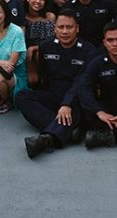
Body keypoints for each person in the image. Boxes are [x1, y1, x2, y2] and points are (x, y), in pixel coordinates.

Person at [20, 12, 94, 158]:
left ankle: (46, 139)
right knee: (22, 96)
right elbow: (43, 77)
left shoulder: (89, 50)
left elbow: (82, 82)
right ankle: (68, 128)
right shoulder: (46, 46)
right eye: (61, 27)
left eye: (69, 27)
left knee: (79, 108)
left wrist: (66, 104)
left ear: (77, 28)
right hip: (54, 95)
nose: (65, 31)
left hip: (76, 97)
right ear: (55, 29)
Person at [22, 0, 56, 84]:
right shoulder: (22, 17)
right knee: (32, 80)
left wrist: (36, 47)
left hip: (45, 52)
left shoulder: (49, 17)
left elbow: (53, 39)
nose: (38, 1)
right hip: (26, 54)